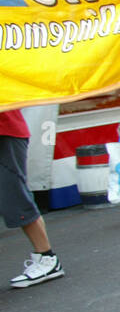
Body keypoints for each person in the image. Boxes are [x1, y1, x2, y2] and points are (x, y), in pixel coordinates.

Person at [2, 108, 64, 288]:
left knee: (14, 197)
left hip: (5, 132)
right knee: (13, 196)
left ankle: (47, 258)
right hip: (7, 131)